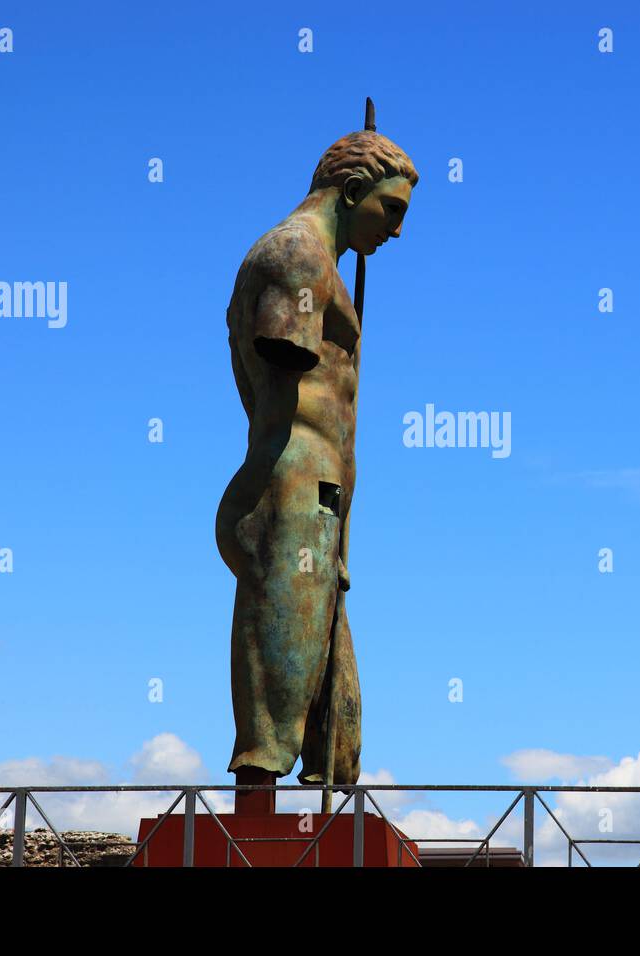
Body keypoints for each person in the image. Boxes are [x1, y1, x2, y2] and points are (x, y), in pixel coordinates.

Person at [216, 127, 417, 810]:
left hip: (319, 497)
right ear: (353, 190)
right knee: (283, 666)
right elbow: (284, 362)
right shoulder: (297, 254)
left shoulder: (321, 264)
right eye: (391, 210)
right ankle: (256, 807)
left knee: (334, 695)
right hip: (292, 485)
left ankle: (308, 807)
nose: (396, 232)